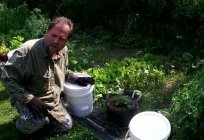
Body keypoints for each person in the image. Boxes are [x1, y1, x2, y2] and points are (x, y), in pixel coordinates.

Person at [1, 16, 94, 139]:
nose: (55, 41)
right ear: (46, 32)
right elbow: (8, 78)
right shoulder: (27, 51)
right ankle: (22, 128)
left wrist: (76, 78)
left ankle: (45, 121)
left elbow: (62, 71)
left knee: (66, 125)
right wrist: (30, 99)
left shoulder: (63, 50)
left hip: (51, 99)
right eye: (53, 35)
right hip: (28, 97)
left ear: (67, 41)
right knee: (34, 122)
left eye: (61, 38)